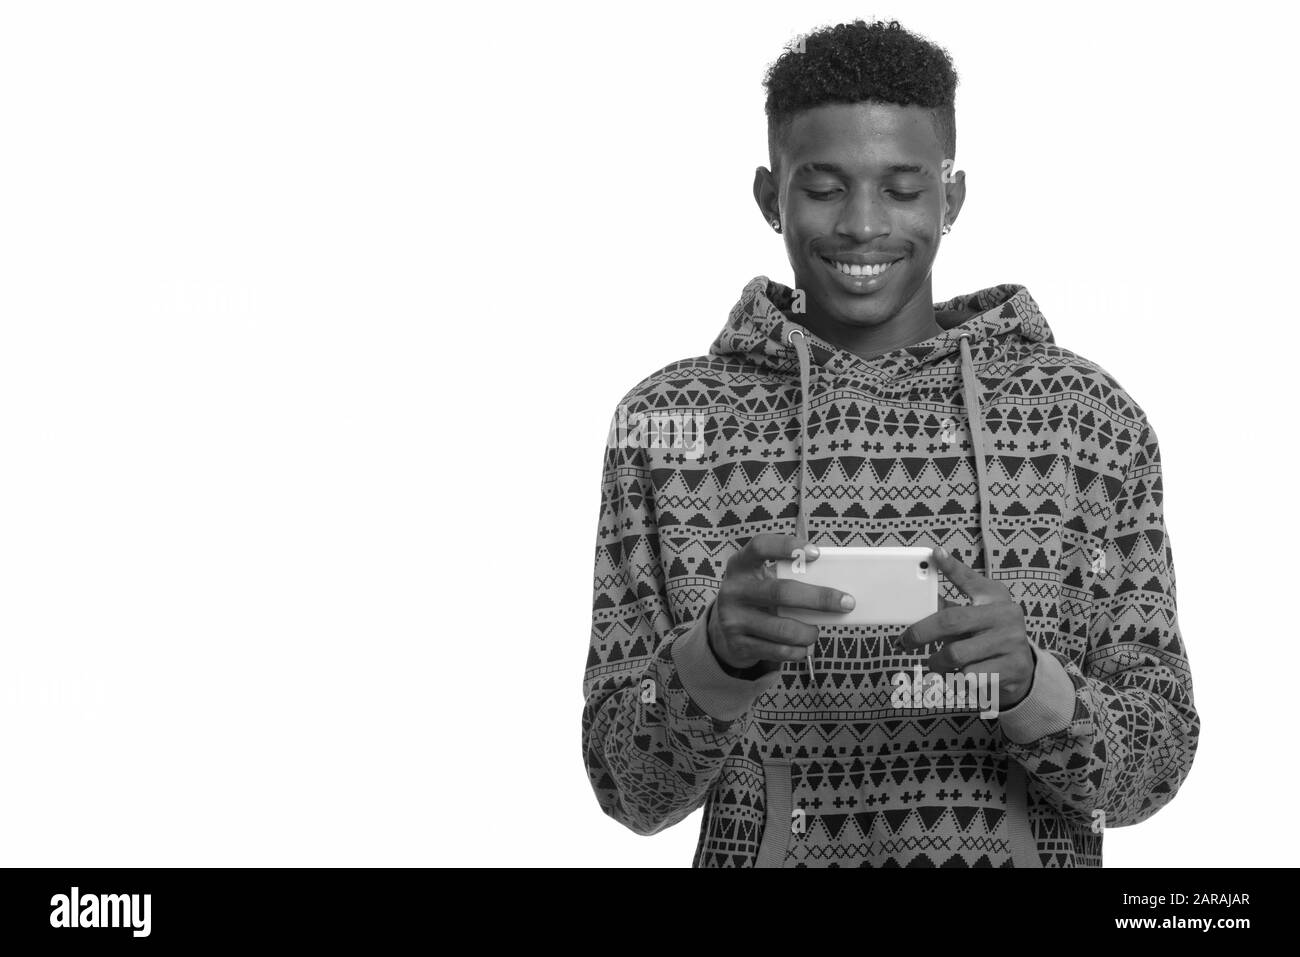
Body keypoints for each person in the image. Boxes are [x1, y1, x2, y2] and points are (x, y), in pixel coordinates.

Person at [581, 18, 1198, 867]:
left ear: (952, 197)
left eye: (903, 190)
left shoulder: (1086, 422)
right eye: (824, 187)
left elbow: (1156, 760)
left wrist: (1029, 684)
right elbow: (628, 788)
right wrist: (713, 658)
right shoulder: (667, 428)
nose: (863, 225)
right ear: (769, 196)